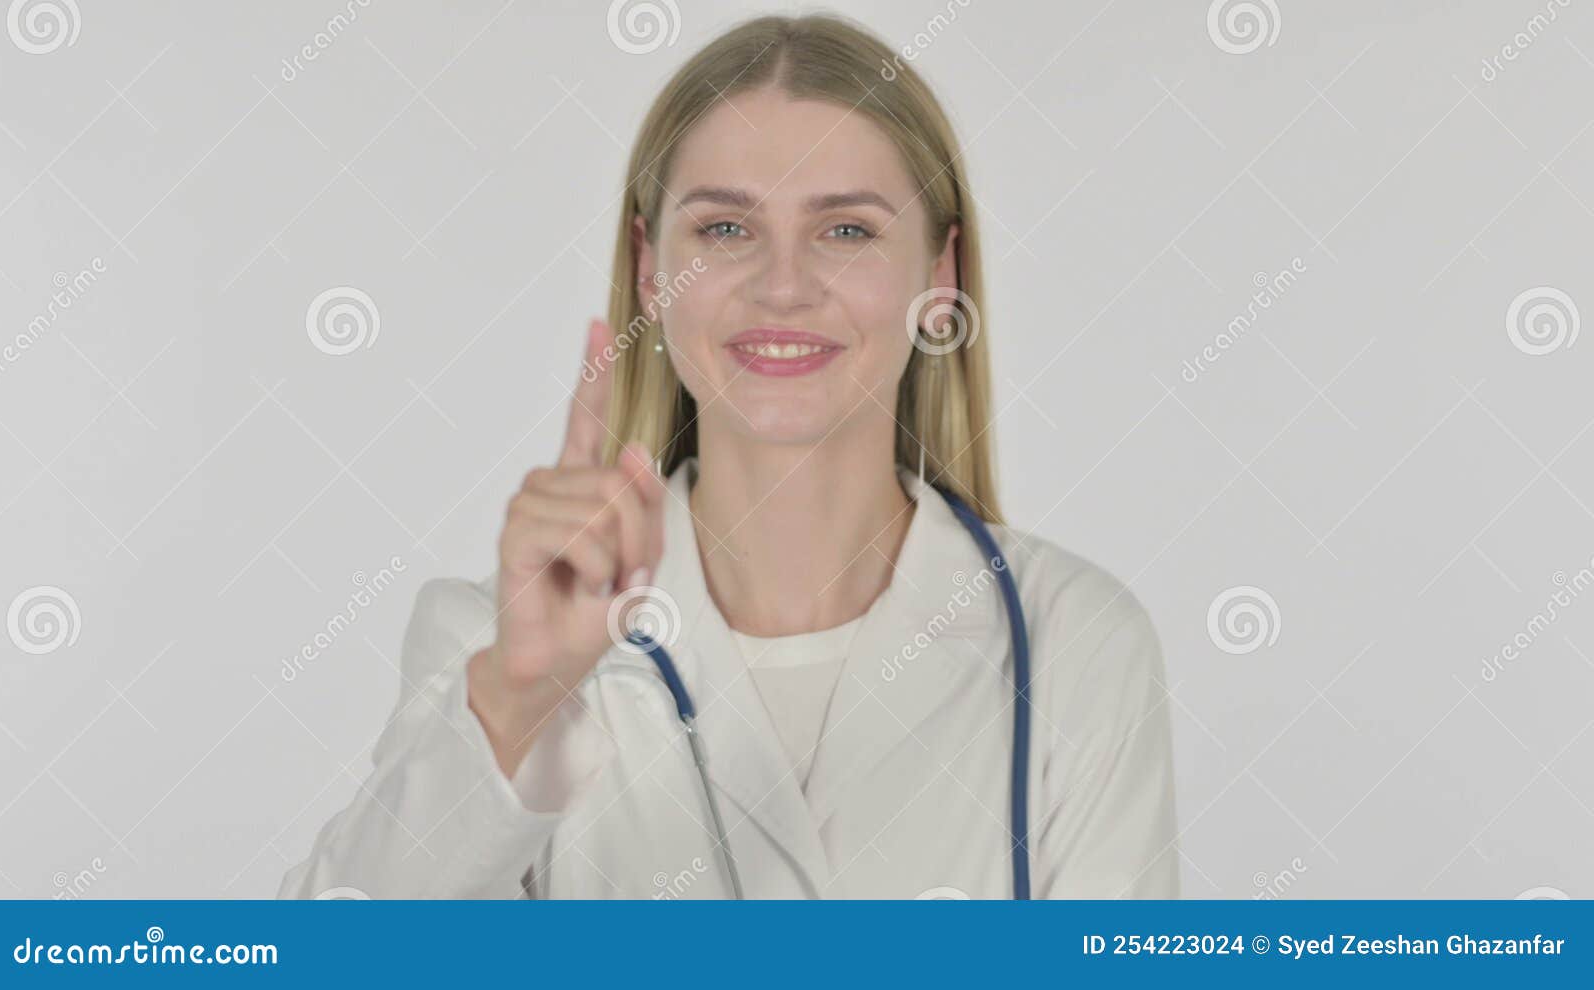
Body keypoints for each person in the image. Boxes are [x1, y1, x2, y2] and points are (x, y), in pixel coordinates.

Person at [278, 12, 1177, 900]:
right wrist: (517, 702)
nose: (783, 284)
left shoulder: (1076, 643)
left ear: (939, 276)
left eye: (848, 229)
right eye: (724, 230)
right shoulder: (493, 643)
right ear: (647, 268)